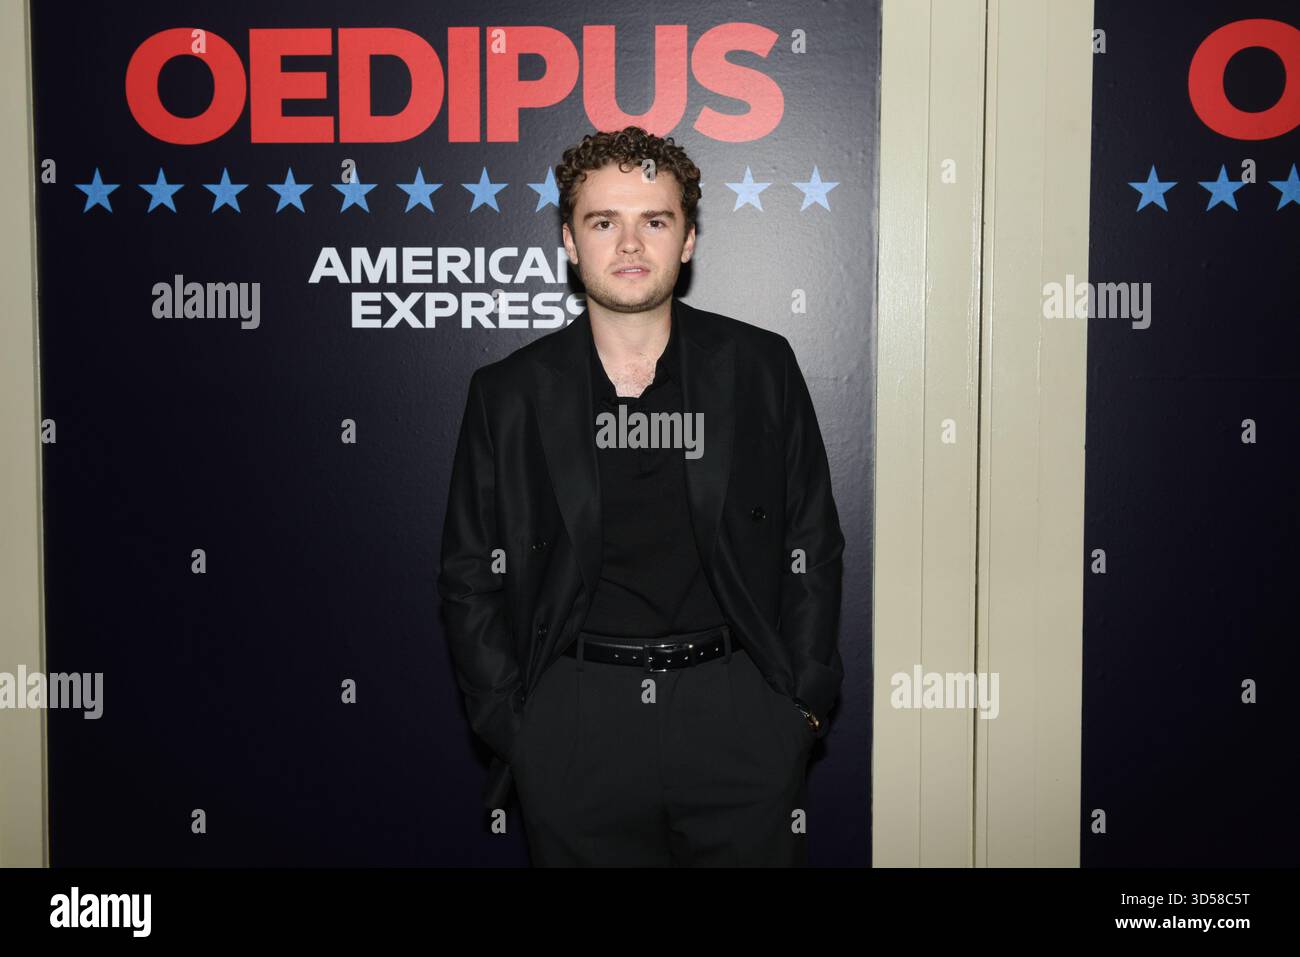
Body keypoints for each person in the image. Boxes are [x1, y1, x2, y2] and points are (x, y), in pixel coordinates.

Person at [437, 125, 844, 866]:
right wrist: (516, 725)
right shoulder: (509, 394)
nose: (630, 244)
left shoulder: (760, 367)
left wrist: (800, 704)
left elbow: (812, 542)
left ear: (686, 239)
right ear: (569, 240)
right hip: (577, 723)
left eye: (653, 220)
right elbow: (469, 573)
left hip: (738, 715)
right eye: (604, 222)